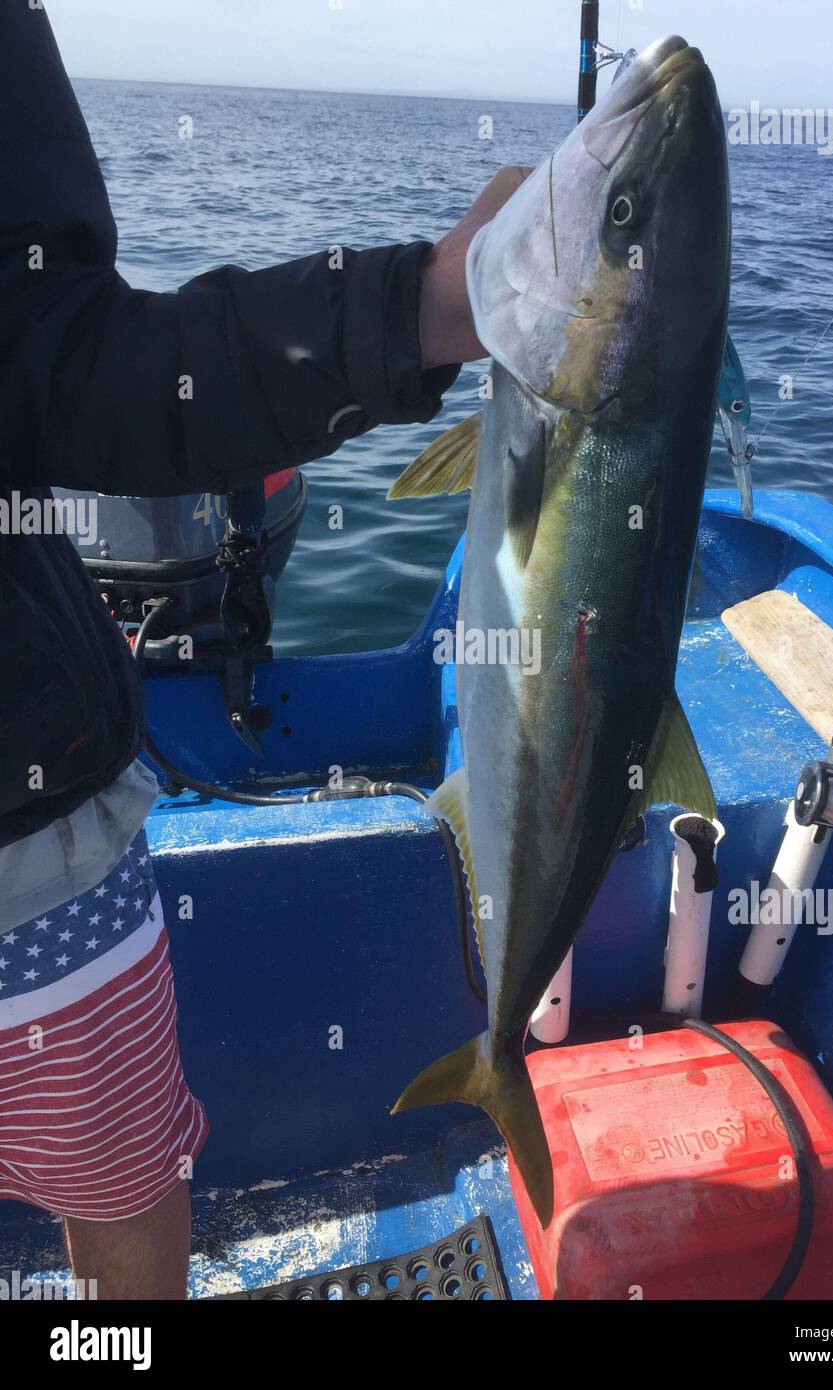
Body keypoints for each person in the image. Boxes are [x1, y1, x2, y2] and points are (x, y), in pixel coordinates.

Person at [0, 2, 527, 1299]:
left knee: (119, 1175)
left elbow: (62, 355)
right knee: (119, 1174)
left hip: (28, 830)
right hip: (37, 829)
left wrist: (424, 308)